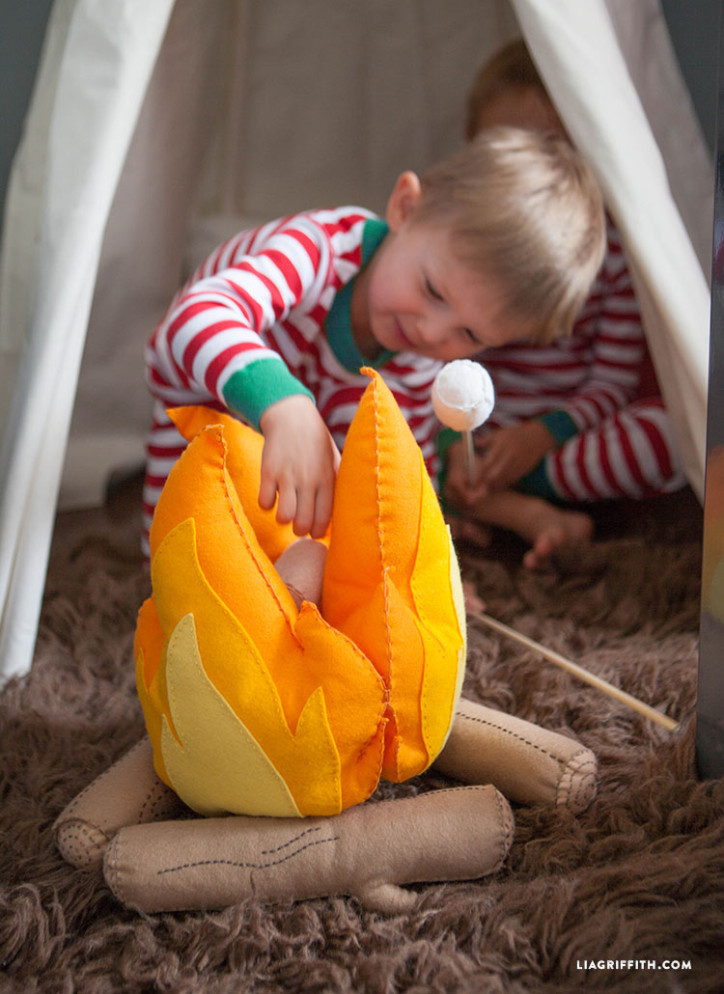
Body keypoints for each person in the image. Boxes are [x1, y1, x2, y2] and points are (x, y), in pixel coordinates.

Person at [143, 127, 605, 556]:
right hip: (203, 422)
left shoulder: (421, 361)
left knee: (329, 555)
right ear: (405, 208)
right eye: (433, 291)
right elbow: (192, 318)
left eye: (470, 334)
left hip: (297, 468)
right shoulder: (319, 250)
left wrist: (417, 579)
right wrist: (283, 403)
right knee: (183, 567)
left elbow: (404, 479)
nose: (432, 332)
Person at [442, 39, 687, 569]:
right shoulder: (460, 248)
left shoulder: (609, 256)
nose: (529, 186)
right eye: (510, 151)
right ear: (473, 145)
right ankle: (517, 509)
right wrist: (459, 443)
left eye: (553, 153)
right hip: (473, 437)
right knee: (397, 430)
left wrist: (542, 435)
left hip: (562, 445)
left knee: (672, 430)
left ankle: (510, 497)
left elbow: (612, 383)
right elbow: (439, 365)